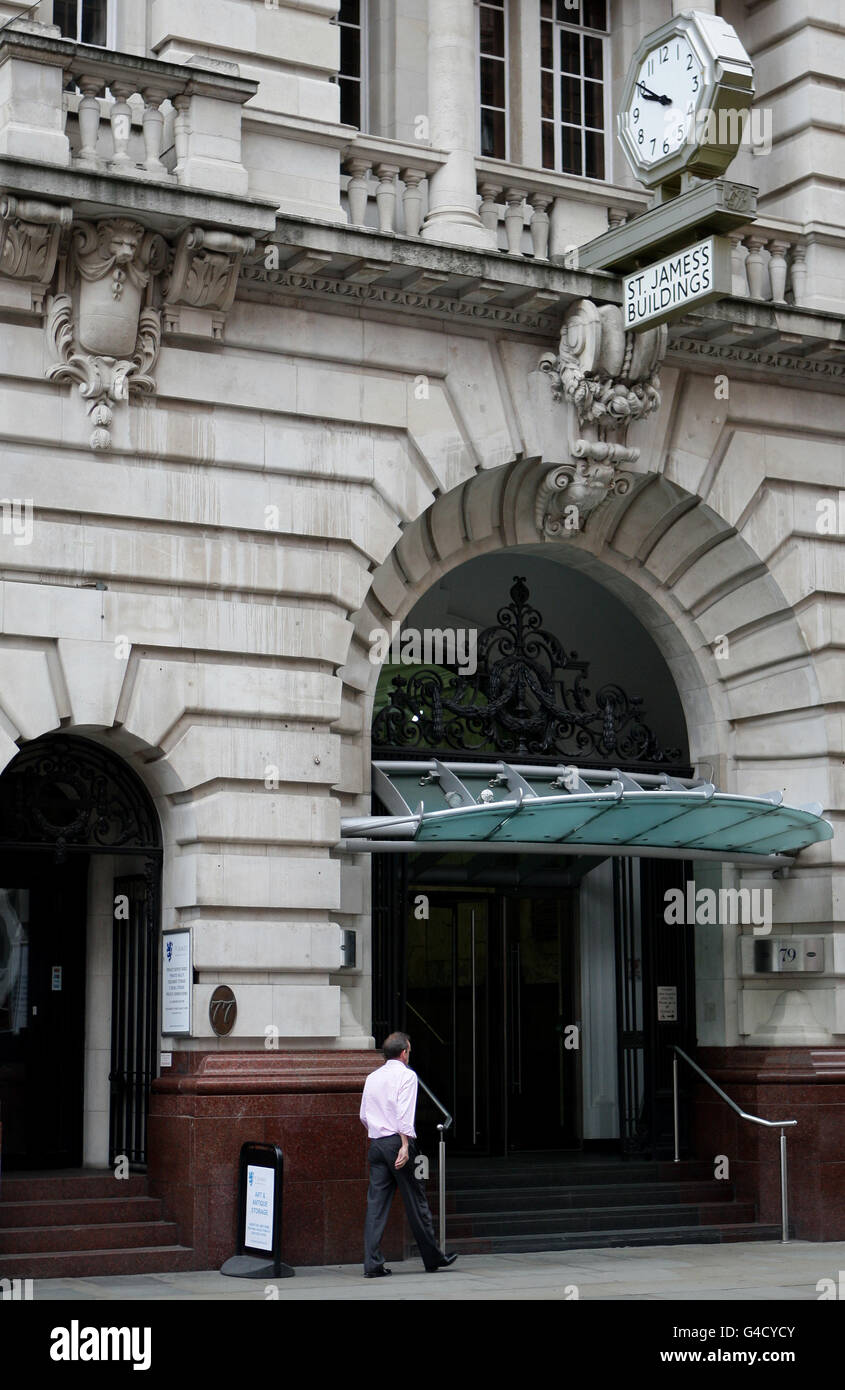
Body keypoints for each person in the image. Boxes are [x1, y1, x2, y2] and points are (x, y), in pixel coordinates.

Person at [360, 1031, 458, 1277]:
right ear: (404, 1053)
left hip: (377, 1143)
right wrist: (404, 1145)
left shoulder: (372, 1077)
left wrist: (377, 1133)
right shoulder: (407, 1076)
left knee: (376, 1206)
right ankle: (432, 1258)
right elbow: (404, 1112)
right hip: (397, 1142)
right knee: (416, 1202)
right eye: (409, 1051)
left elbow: (363, 1114)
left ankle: (372, 1264)